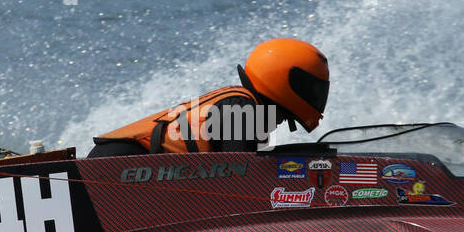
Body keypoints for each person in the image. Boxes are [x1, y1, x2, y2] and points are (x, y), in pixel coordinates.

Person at [87, 38, 329, 157]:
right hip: (117, 163)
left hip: (119, 161)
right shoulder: (241, 108)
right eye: (283, 118)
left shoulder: (238, 100)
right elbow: (241, 176)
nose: (279, 124)